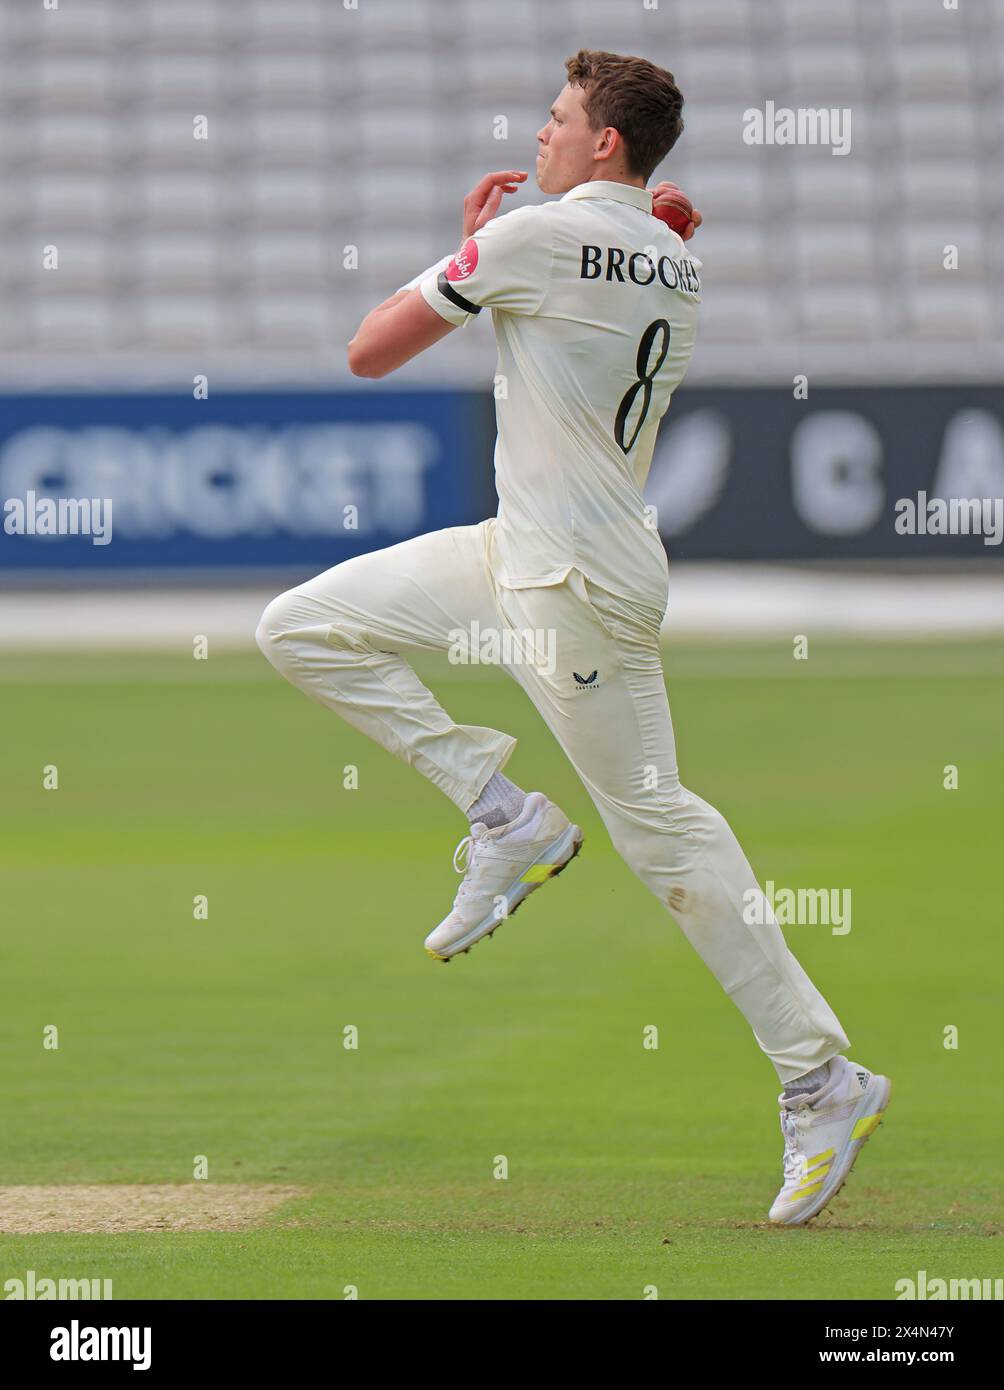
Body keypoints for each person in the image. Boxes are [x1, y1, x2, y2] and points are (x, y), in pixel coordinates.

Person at [256, 49, 890, 1225]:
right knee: (304, 628)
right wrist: (503, 249)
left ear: (604, 143)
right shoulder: (672, 253)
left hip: (575, 584)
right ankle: (503, 815)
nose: (536, 135)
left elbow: (369, 347)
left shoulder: (538, 240)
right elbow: (630, 257)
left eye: (555, 120)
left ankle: (820, 1078)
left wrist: (464, 248)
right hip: (518, 549)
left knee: (661, 830)